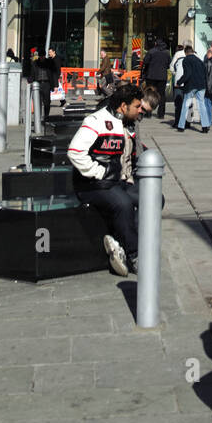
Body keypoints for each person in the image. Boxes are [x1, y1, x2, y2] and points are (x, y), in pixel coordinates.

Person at [68, 83, 144, 277]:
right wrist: (99, 171)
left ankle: (122, 240)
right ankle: (133, 254)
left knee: (152, 199)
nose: (140, 110)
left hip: (114, 182)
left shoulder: (124, 123)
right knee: (123, 204)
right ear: (123, 106)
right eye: (137, 106)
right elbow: (75, 152)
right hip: (91, 185)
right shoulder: (96, 121)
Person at [177, 44, 209, 132]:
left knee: (186, 105)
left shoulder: (186, 60)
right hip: (201, 85)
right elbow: (205, 73)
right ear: (192, 51)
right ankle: (205, 126)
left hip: (191, 85)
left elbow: (187, 74)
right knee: (201, 105)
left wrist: (179, 82)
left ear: (186, 53)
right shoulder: (199, 60)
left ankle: (181, 126)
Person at [140, 37, 171, 119]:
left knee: (149, 94)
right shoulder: (167, 53)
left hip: (151, 76)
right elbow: (168, 64)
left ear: (155, 44)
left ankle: (148, 112)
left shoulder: (151, 51)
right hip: (162, 76)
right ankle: (161, 114)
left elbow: (145, 62)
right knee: (162, 95)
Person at [169, 44, 186, 125]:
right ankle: (186, 121)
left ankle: (177, 121)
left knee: (178, 102)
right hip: (188, 83)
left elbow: (171, 66)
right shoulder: (194, 54)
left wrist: (175, 73)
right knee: (187, 103)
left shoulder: (177, 55)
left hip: (178, 83)